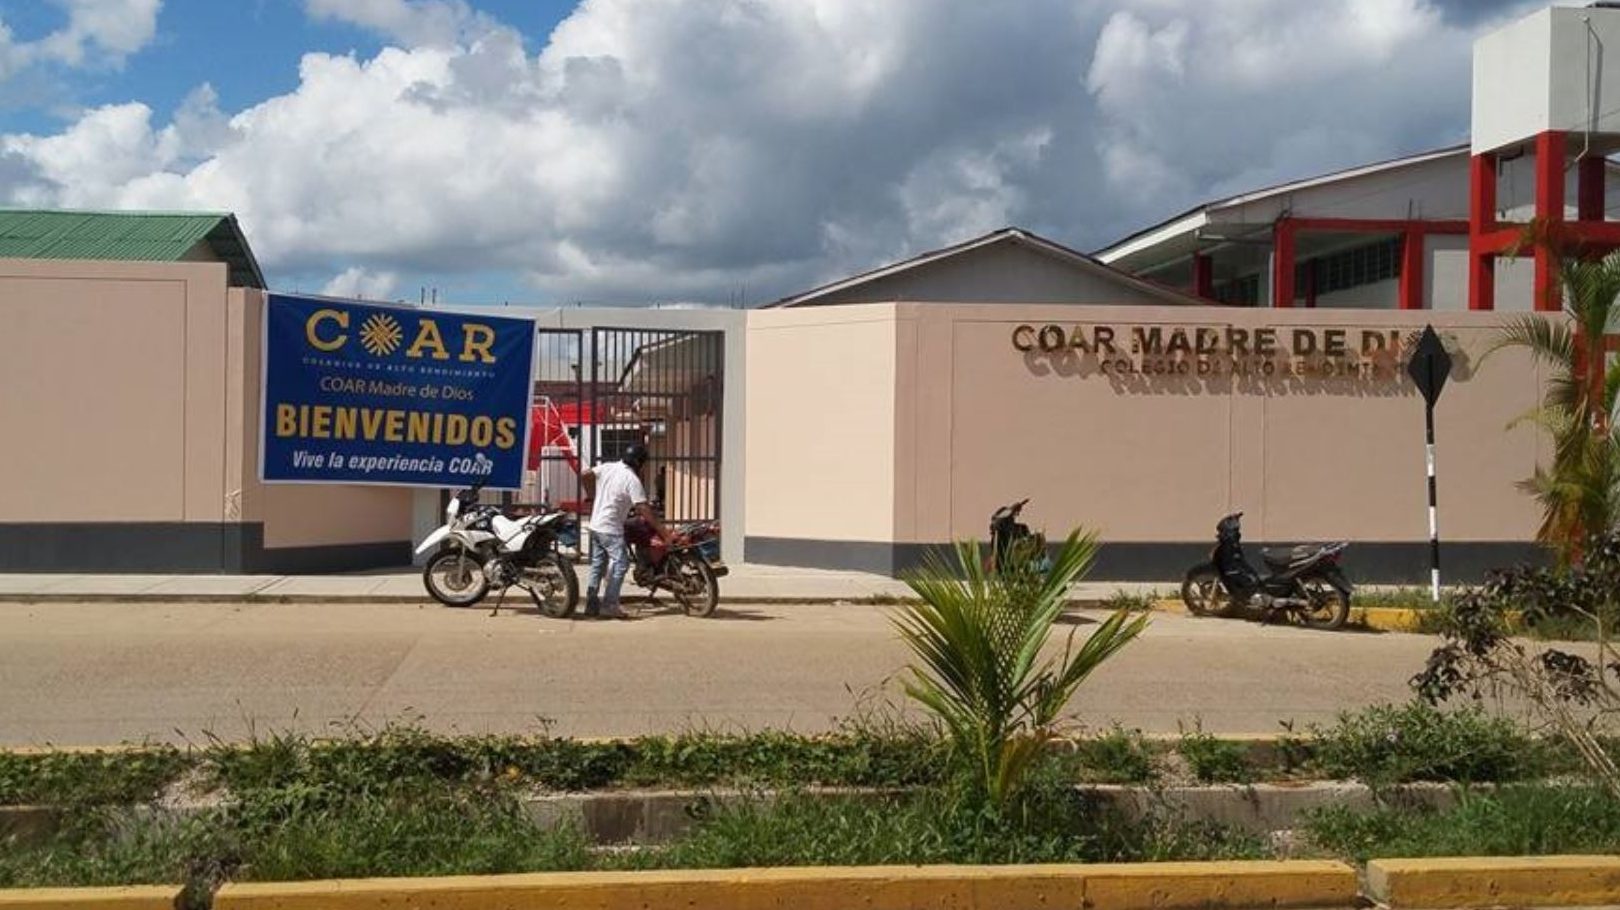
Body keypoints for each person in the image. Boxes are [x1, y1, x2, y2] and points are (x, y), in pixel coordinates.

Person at [580, 444, 670, 619]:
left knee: (598, 565)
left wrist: (592, 496)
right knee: (621, 563)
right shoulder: (631, 479)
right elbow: (643, 507)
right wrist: (664, 532)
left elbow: (585, 474)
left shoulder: (608, 467)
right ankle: (610, 604)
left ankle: (591, 604)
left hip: (596, 525)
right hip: (610, 528)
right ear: (638, 463)